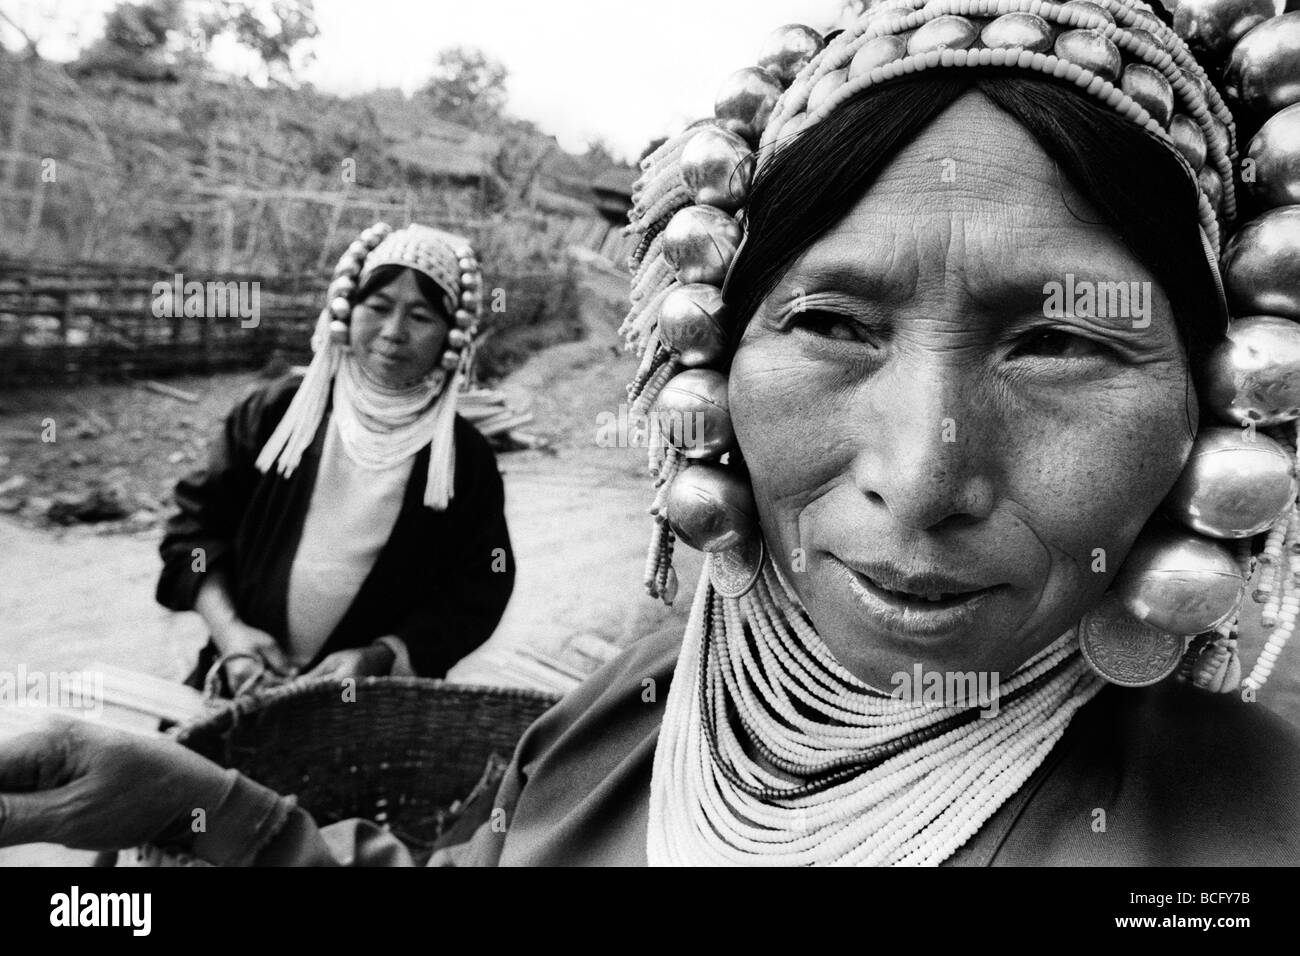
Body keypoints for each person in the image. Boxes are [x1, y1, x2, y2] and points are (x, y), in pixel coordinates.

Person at [3, 0, 1300, 866]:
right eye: (837, 323)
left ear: (1221, 399)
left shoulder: (1243, 839)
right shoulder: (653, 696)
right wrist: (199, 804)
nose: (920, 478)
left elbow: (465, 595)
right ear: (713, 359)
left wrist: (391, 650)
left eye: (1061, 342)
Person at [156, 222, 514, 691]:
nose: (393, 332)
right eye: (378, 306)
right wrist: (231, 634)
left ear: (452, 336)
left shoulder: (462, 459)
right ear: (346, 311)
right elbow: (193, 536)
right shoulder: (278, 415)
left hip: (371, 710)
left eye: (421, 317)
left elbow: (483, 584)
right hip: (242, 679)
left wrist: (384, 656)